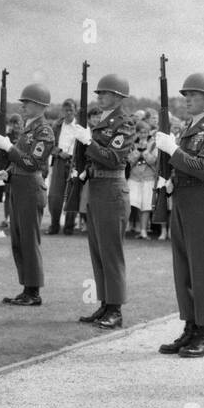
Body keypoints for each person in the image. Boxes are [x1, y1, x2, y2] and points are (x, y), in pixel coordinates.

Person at [153, 72, 204, 357]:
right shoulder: (188, 127)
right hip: (183, 199)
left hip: (202, 200)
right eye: (186, 95)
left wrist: (172, 150)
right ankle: (189, 327)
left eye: (194, 95)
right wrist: (169, 179)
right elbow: (184, 166)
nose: (187, 100)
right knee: (183, 268)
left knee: (203, 270)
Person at [67, 73, 137, 330]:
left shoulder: (124, 124)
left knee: (110, 252)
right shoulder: (101, 123)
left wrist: (88, 142)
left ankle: (116, 309)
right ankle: (106, 303)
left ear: (118, 97)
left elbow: (114, 158)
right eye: (98, 93)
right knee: (98, 251)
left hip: (111, 189)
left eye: (104, 93)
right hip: (96, 188)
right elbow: (94, 157)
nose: (100, 97)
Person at [0, 84, 56, 305]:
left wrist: (9, 148)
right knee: (18, 240)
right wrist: (7, 172)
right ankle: (27, 288)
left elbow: (33, 162)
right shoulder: (28, 129)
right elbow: (20, 160)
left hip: (30, 187)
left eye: (27, 102)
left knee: (28, 240)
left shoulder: (43, 131)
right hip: (18, 185)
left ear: (39, 105)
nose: (23, 106)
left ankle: (34, 292)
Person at [47, 98, 77, 234]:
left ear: (75, 111)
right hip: (59, 161)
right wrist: (59, 152)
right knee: (55, 195)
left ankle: (69, 227)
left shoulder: (81, 127)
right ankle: (54, 225)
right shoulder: (57, 126)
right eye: (66, 110)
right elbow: (49, 145)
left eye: (71, 110)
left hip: (74, 162)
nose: (68, 113)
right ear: (62, 111)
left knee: (72, 194)